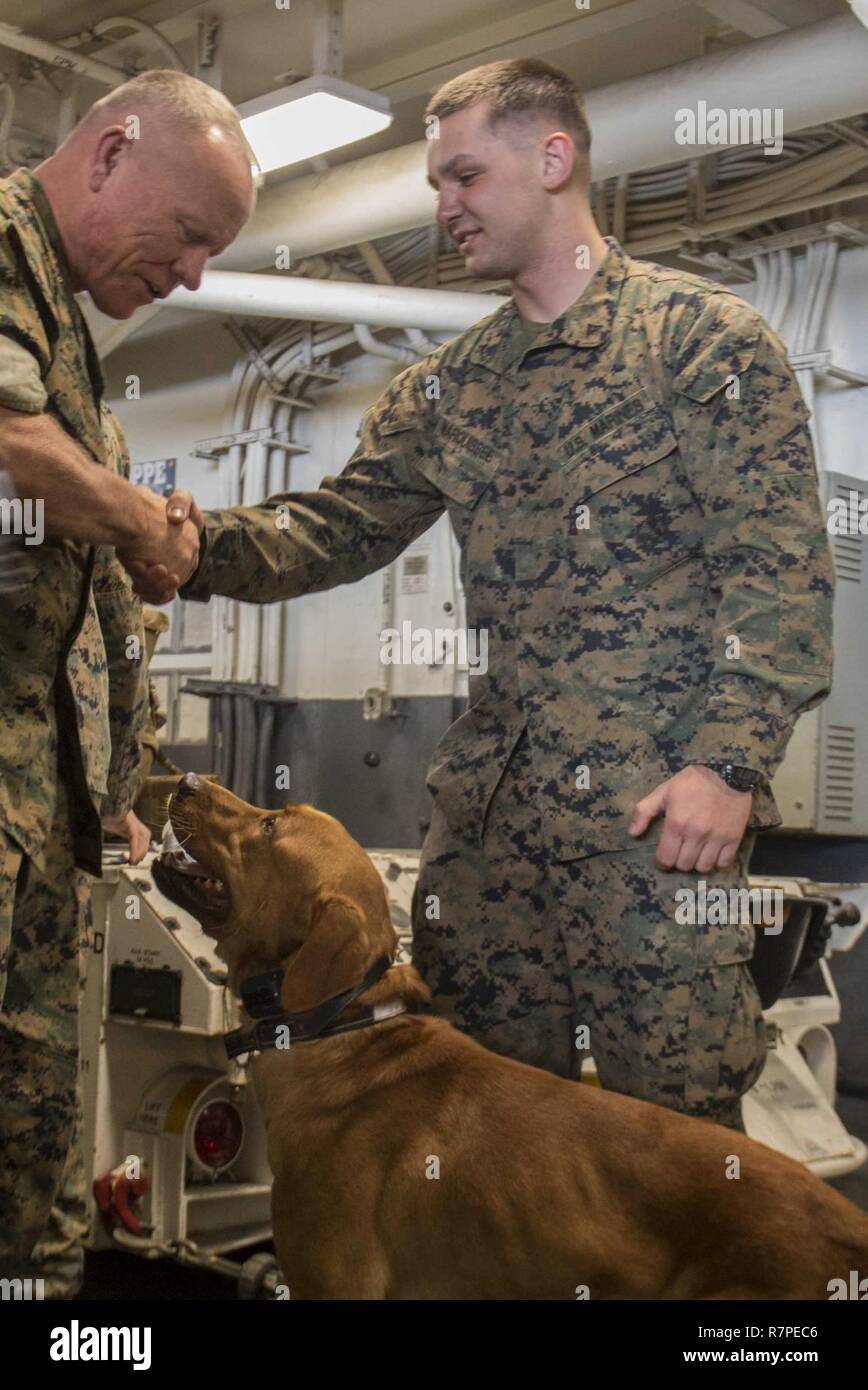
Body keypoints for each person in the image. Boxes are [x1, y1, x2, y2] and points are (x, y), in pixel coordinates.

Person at [149, 59, 833, 1132]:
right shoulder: (448, 387)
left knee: (674, 1150)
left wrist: (727, 763)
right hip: (492, 840)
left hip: (653, 827)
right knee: (479, 1137)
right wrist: (187, 546)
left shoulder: (700, 343)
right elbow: (339, 526)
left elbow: (778, 568)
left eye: (464, 175)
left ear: (553, 159)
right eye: (435, 181)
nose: (444, 206)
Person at [0, 69, 255, 1297]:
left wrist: (108, 775)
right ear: (107, 155)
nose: (195, 274)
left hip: (49, 816)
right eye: (191, 233)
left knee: (40, 1134)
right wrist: (137, 518)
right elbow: (2, 437)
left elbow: (67, 555)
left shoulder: (74, 340)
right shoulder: (2, 246)